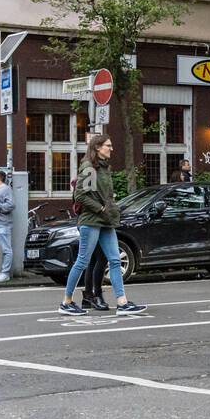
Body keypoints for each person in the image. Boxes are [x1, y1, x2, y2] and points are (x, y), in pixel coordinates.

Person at [59, 135, 146, 316]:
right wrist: (101, 208)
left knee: (114, 260)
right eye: (108, 145)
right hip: (91, 221)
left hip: (106, 221)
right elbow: (81, 196)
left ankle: (122, 303)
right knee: (82, 261)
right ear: (97, 148)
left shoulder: (103, 168)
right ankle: (66, 302)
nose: (111, 149)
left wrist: (108, 211)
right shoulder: (90, 168)